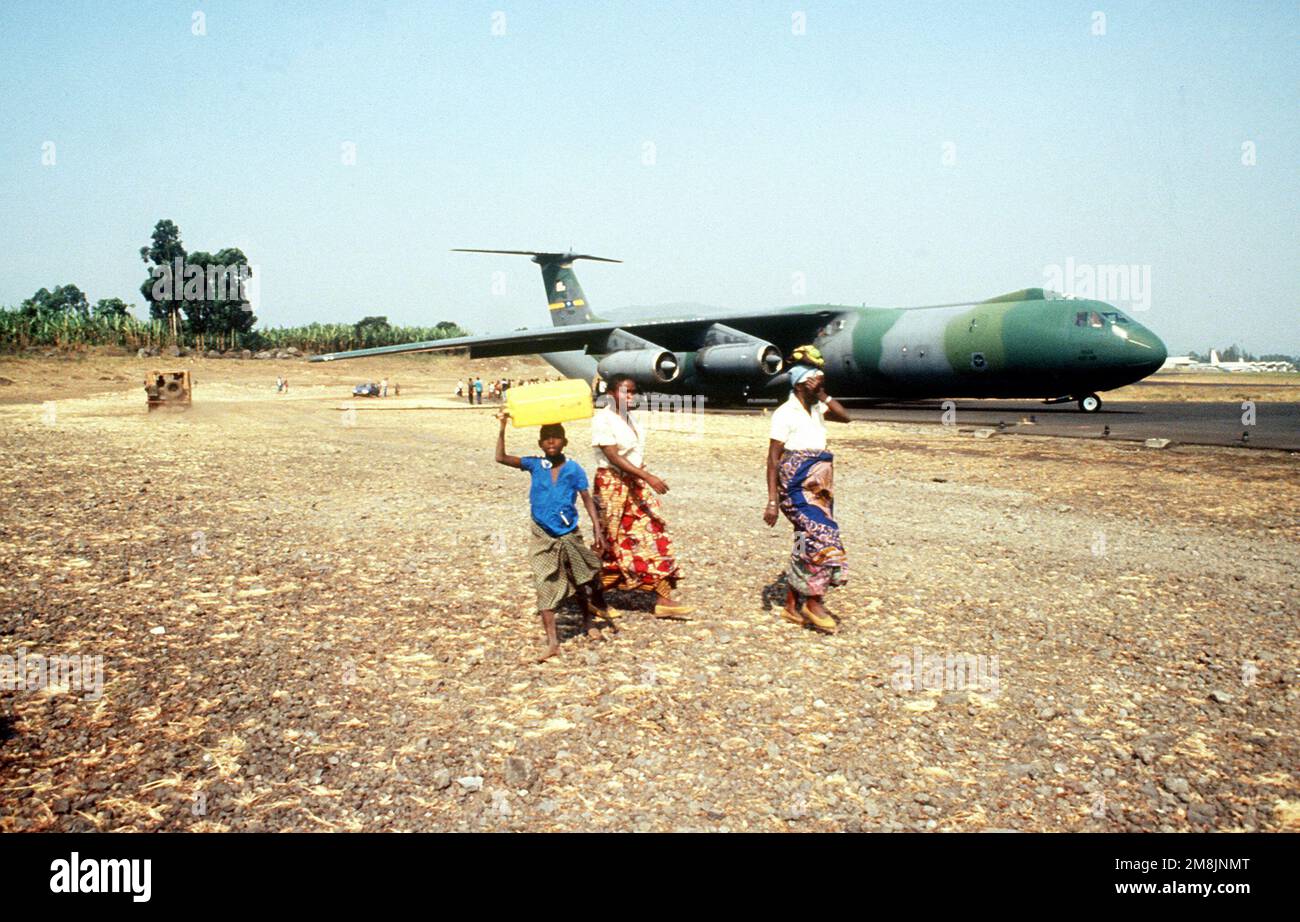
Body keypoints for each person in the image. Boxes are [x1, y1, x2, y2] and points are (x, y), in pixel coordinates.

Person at [496, 413, 615, 661]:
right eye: (546, 439)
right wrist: (502, 426)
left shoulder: (573, 469)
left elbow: (586, 499)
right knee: (543, 583)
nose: (551, 442)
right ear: (540, 444)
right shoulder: (535, 465)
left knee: (581, 577)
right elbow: (501, 457)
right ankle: (552, 643)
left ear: (565, 442)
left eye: (556, 438)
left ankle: (588, 620)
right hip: (542, 534)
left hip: (569, 532)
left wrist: (597, 529)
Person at [590, 374, 693, 617]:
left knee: (654, 532)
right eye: (626, 392)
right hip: (612, 485)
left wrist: (643, 476)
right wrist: (648, 477)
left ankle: (663, 599)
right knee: (609, 541)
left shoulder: (632, 419)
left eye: (634, 392)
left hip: (635, 483)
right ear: (611, 394)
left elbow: (633, 453)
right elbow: (614, 456)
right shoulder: (603, 419)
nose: (631, 397)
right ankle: (593, 596)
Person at [764, 348, 851, 633]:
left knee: (803, 540)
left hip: (821, 489)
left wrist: (823, 394)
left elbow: (845, 416)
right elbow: (773, 459)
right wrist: (773, 502)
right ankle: (814, 600)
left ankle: (791, 605)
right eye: (816, 381)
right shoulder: (784, 413)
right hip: (796, 490)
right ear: (801, 383)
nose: (820, 385)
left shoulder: (817, 406)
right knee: (823, 535)